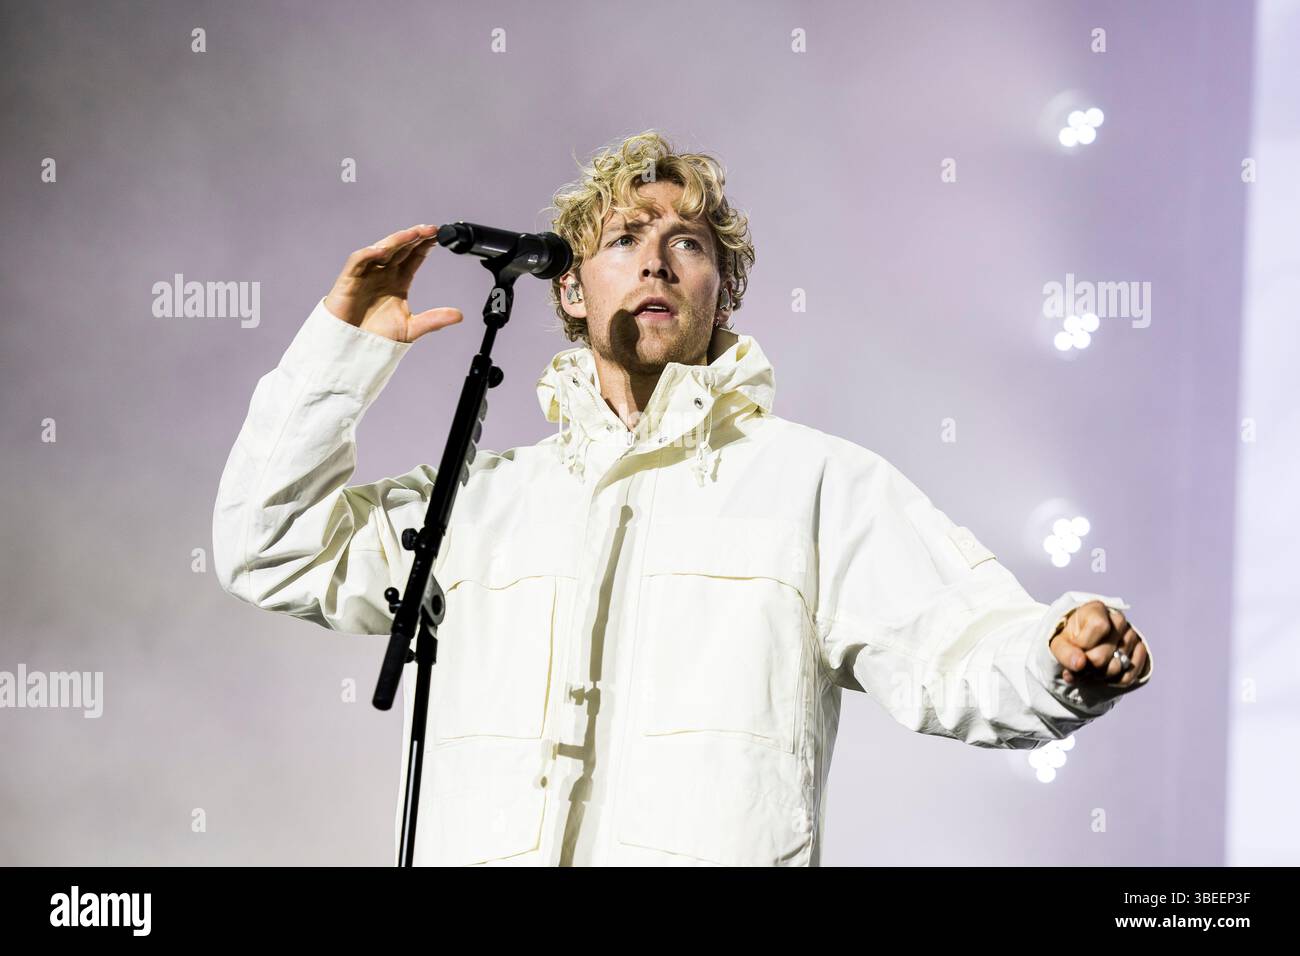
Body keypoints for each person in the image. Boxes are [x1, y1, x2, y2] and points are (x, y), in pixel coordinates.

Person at [212, 130, 1153, 867]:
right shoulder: (485, 499)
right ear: (572, 290)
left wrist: (1056, 655)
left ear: (722, 289)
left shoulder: (814, 485)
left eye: (686, 243)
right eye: (623, 239)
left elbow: (958, 646)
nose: (655, 261)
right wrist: (345, 346)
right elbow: (273, 545)